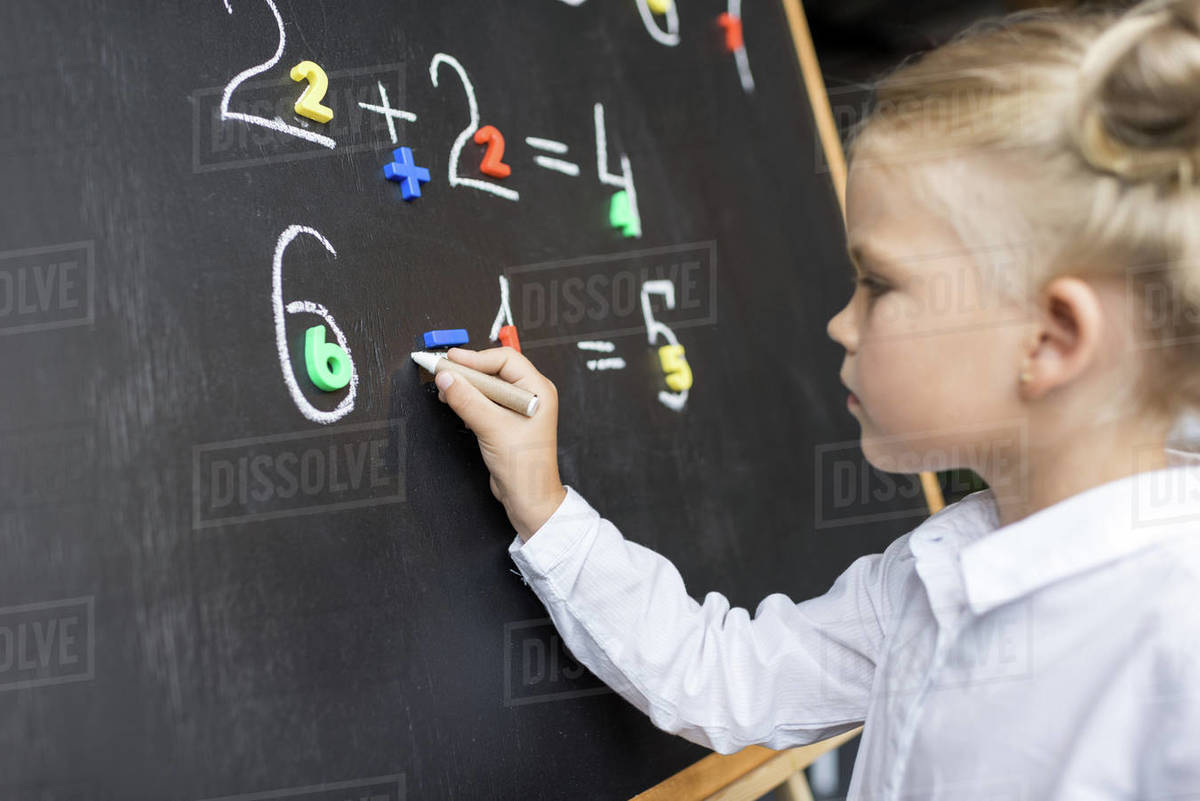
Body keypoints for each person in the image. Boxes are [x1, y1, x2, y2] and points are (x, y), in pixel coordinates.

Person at [431, 0, 1200, 795]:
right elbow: (724, 678)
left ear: (1050, 339)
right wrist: (545, 505)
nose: (840, 324)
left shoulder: (1174, 644)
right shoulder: (935, 568)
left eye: (880, 285)